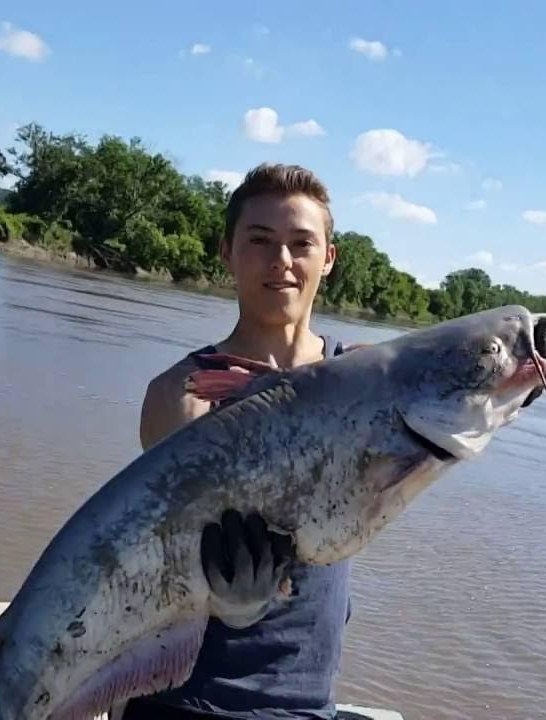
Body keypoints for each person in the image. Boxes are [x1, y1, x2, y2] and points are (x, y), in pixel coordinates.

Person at [122, 163, 352, 719]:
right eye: (260, 241)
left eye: (301, 243)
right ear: (226, 252)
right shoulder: (183, 395)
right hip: (182, 698)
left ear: (328, 258)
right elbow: (168, 556)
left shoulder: (357, 382)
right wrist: (225, 597)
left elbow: (459, 386)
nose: (282, 261)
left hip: (304, 701)